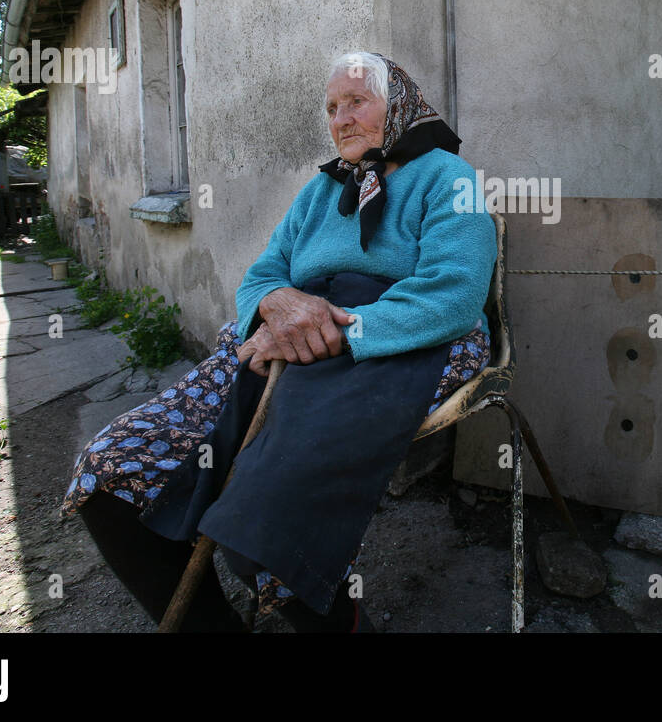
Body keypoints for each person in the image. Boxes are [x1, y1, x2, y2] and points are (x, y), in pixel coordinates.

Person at [61, 52, 497, 632]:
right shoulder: (321, 192)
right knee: (108, 475)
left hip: (405, 342)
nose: (340, 119)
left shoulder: (448, 177)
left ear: (401, 107)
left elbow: (453, 295)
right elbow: (263, 276)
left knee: (262, 525)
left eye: (356, 102)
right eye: (332, 108)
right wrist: (278, 306)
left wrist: (332, 333)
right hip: (284, 342)